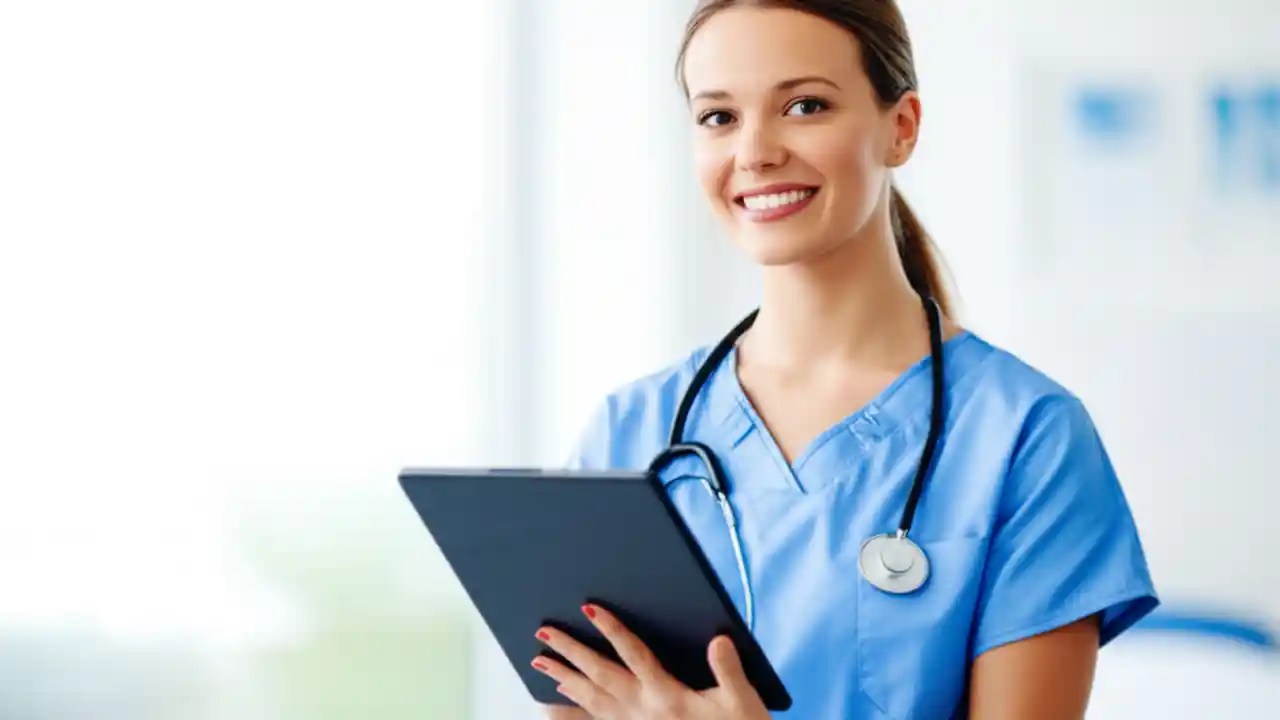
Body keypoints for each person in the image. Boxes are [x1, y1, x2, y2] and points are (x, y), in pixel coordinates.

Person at [532, 1, 1158, 717]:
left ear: (902, 127)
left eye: (804, 105)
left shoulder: (1026, 437)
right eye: (718, 117)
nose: (755, 151)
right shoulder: (630, 435)